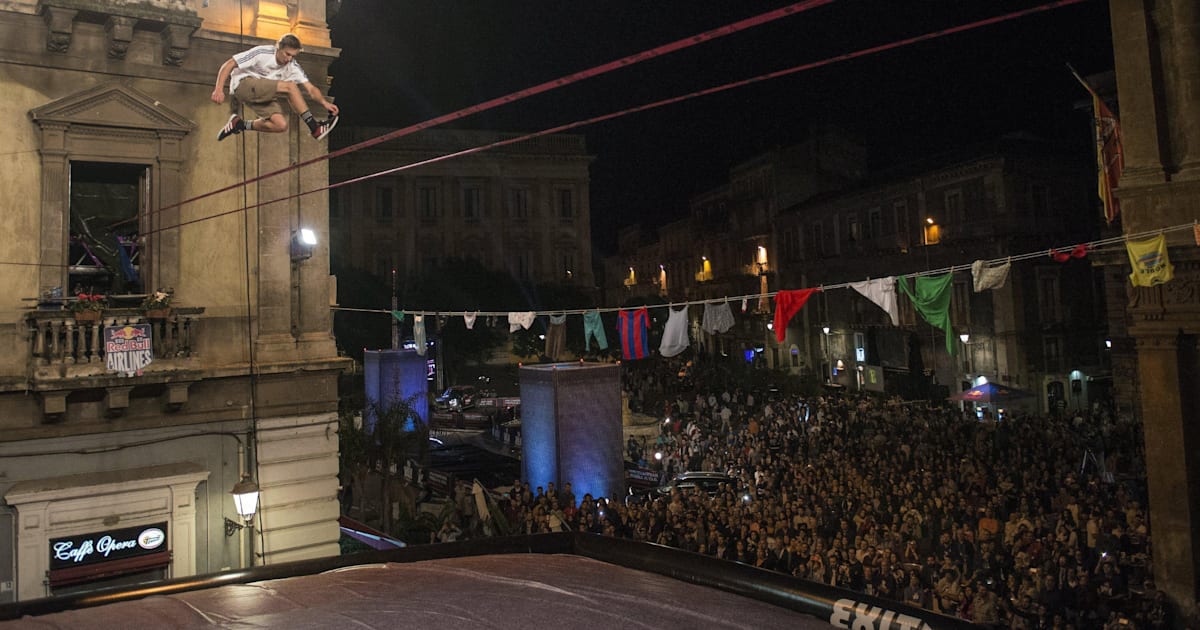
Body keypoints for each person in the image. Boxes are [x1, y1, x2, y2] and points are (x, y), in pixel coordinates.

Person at [211, 33, 339, 141]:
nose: (289, 59)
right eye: (287, 54)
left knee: (280, 125)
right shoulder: (263, 52)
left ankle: (240, 125)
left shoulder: (292, 67)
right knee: (290, 87)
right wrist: (219, 89)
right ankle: (314, 127)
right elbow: (229, 64)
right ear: (278, 48)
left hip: (261, 93)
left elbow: (310, 88)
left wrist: (324, 103)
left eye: (293, 56)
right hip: (243, 84)